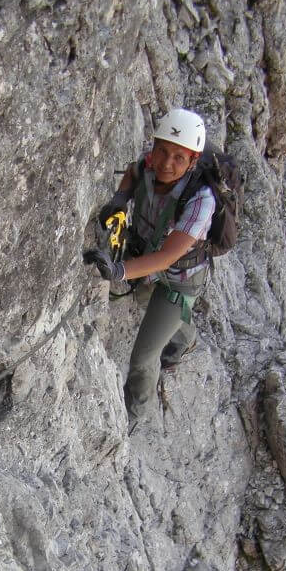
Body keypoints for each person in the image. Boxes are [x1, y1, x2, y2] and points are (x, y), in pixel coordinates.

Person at [83, 107, 216, 428]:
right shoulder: (150, 163)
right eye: (162, 151)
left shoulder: (201, 201)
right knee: (146, 303)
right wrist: (119, 199)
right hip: (146, 261)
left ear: (193, 162)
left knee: (144, 359)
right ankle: (185, 335)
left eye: (179, 158)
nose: (167, 164)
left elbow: (169, 256)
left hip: (179, 279)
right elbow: (132, 172)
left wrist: (120, 272)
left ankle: (133, 415)